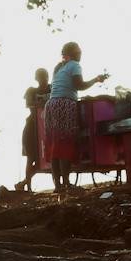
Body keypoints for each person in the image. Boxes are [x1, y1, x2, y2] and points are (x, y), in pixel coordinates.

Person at [43, 41, 106, 191]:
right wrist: (96, 80)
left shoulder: (59, 67)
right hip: (64, 105)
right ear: (73, 54)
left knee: (55, 145)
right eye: (79, 52)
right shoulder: (75, 65)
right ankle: (66, 183)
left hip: (51, 105)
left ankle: (58, 185)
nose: (81, 54)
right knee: (65, 143)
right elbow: (79, 86)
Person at [16, 68, 50, 192]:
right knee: (31, 157)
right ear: (36, 78)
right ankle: (28, 186)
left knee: (47, 155)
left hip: (48, 126)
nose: (43, 79)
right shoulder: (31, 90)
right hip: (32, 127)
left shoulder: (53, 88)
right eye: (41, 77)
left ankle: (24, 183)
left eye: (45, 76)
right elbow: (29, 104)